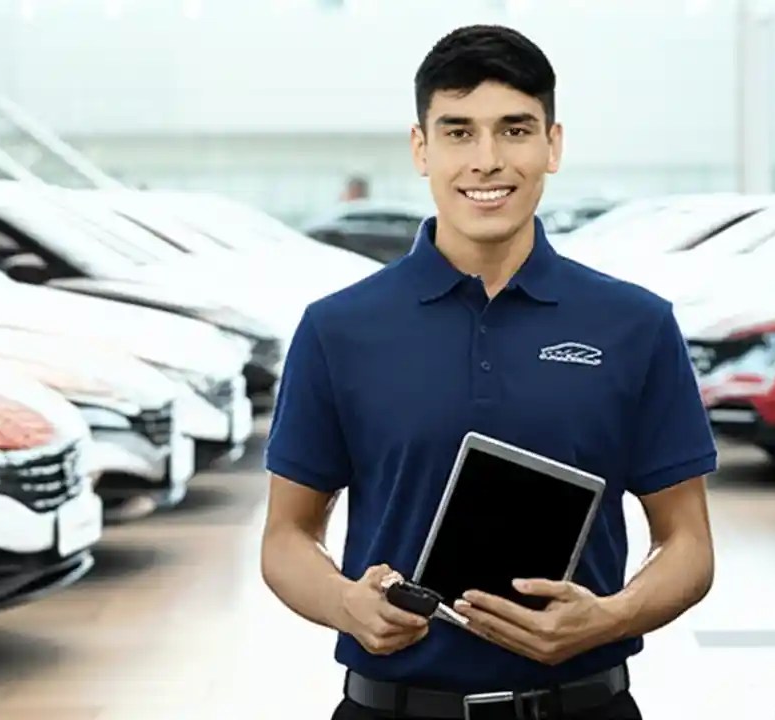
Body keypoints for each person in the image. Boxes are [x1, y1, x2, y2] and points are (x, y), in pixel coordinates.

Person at [261, 24, 717, 720]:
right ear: (422, 148)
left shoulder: (635, 325)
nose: (487, 160)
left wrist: (610, 617)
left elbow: (688, 544)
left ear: (552, 145)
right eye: (458, 132)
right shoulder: (339, 328)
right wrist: (345, 604)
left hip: (584, 707)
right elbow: (285, 539)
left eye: (514, 130)